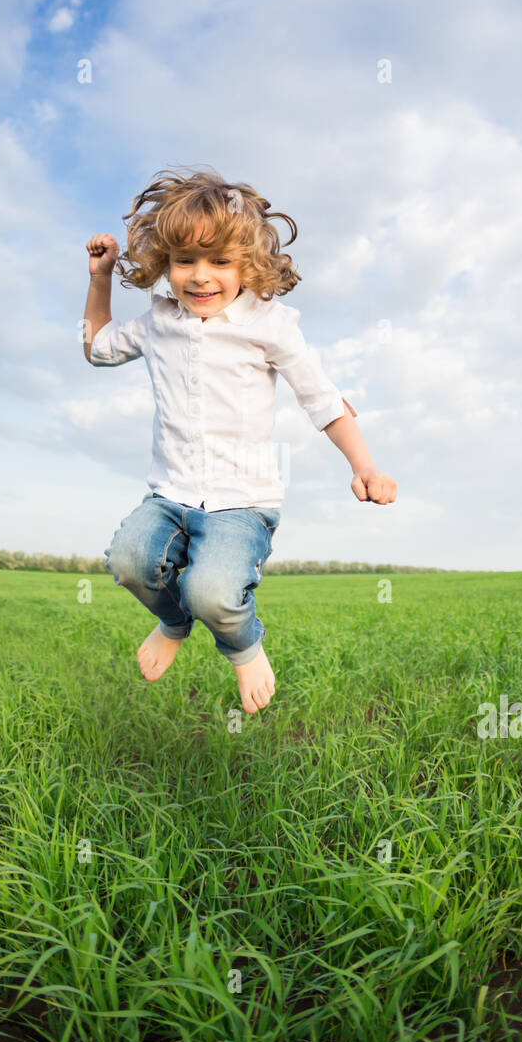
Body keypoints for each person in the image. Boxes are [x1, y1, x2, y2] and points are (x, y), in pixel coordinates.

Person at [83, 167, 396, 715]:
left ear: (247, 265)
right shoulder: (158, 323)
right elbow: (98, 348)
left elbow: (323, 399)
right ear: (165, 265)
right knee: (129, 560)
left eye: (220, 262)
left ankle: (244, 647)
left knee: (212, 592)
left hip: (242, 503)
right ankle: (173, 623)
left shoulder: (270, 326)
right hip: (169, 494)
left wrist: (364, 464)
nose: (201, 277)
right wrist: (101, 277)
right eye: (185, 262)